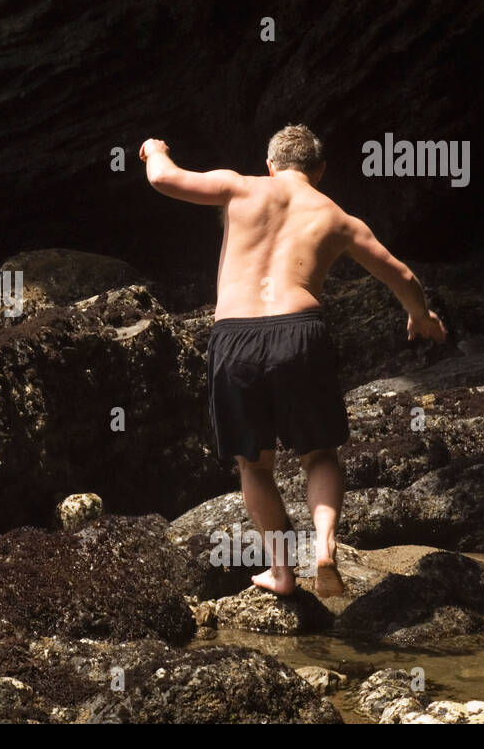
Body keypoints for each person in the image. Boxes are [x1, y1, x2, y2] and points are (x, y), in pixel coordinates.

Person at [140, 124, 446, 597]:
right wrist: (419, 314)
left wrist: (155, 149)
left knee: (254, 464)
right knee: (319, 453)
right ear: (319, 171)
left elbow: (164, 180)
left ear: (269, 164)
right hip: (300, 334)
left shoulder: (239, 187)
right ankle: (325, 548)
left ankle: (282, 572)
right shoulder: (339, 218)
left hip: (235, 336)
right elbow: (401, 274)